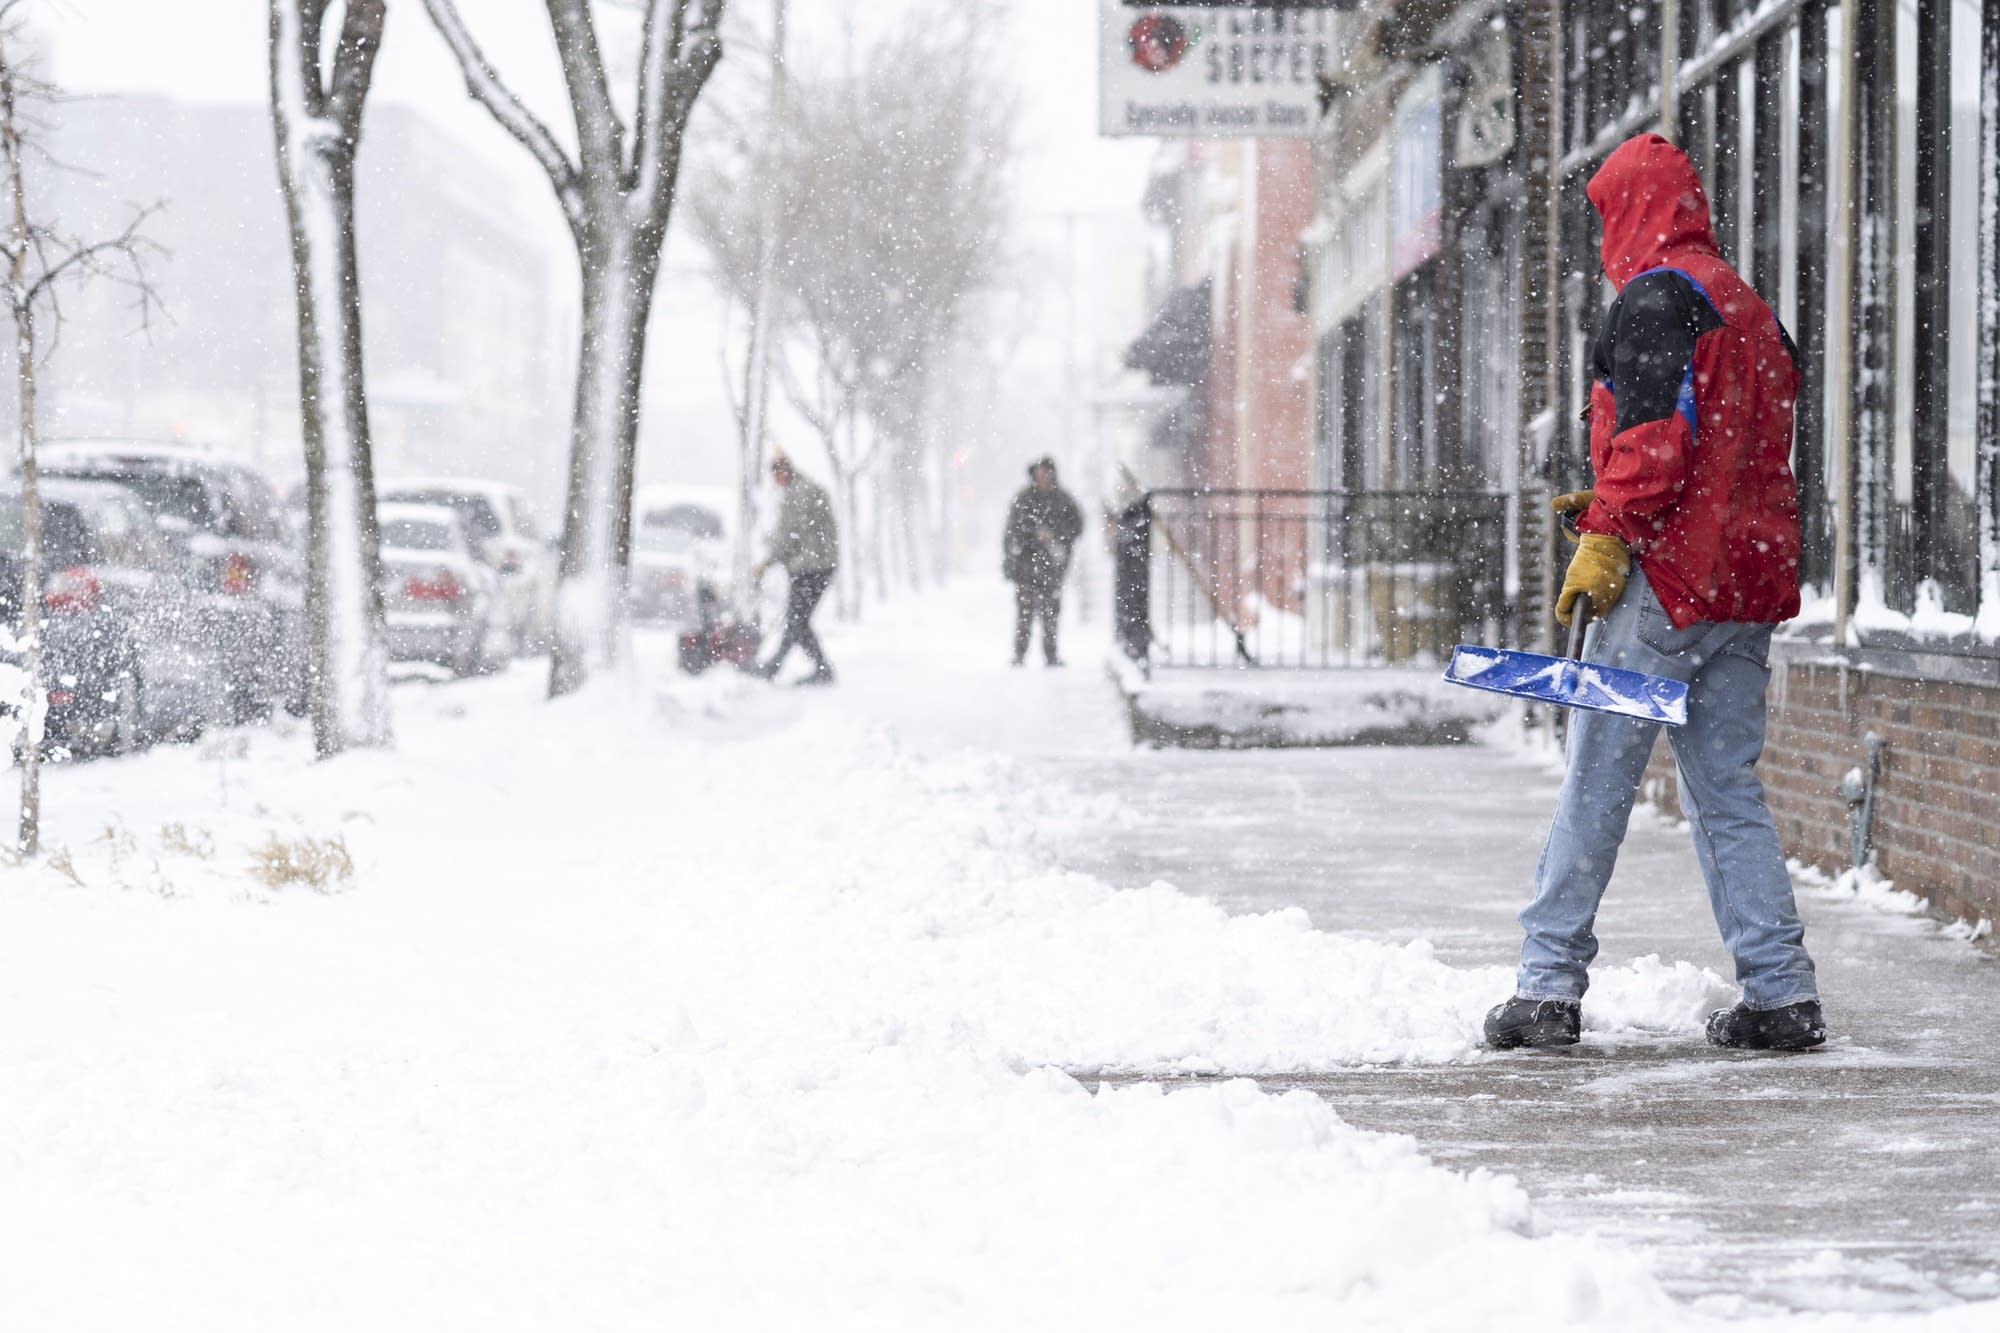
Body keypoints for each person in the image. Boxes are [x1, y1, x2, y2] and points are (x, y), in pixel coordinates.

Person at [1484, 132, 1825, 1053]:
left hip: (1665, 589)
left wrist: (1607, 531)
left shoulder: (1655, 297)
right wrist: (1607, 503)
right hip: (1744, 590)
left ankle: (1546, 987)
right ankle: (1782, 993)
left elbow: (1654, 450)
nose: (1604, 239)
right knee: (1726, 791)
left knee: (1597, 780)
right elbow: (1735, 451)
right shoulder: (1752, 308)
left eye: (1606, 217)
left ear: (1631, 212)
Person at [751, 454, 839, 686]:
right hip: (821, 565)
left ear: (783, 472)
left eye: (776, 474)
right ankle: (799, 667)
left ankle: (781, 667)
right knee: (798, 621)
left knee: (797, 620)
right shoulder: (807, 488)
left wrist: (765, 564)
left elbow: (787, 537)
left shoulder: (797, 494)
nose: (775, 480)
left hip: (810, 568)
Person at [1002, 456, 1083, 667]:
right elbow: (1012, 531)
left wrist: (1055, 536)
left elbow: (1076, 526)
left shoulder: (1063, 500)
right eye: (1038, 473)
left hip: (1052, 568)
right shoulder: (1023, 499)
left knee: (1051, 613)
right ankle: (1020, 654)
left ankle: (1051, 654)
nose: (1042, 477)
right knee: (1025, 613)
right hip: (1026, 567)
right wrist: (1029, 538)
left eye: (1045, 472)